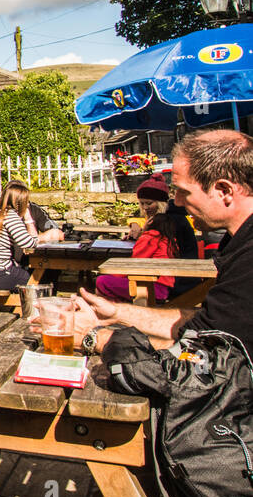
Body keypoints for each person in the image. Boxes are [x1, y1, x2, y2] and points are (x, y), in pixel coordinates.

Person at [71, 129, 253, 356]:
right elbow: (205, 325)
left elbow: (209, 356)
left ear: (224, 190)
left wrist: (95, 337)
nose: (175, 200)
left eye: (183, 191)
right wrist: (117, 313)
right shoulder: (237, 240)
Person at [94, 176, 198, 303]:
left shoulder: (169, 222)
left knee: (104, 282)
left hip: (178, 279)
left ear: (160, 203)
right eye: (142, 203)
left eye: (149, 203)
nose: (145, 208)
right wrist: (137, 227)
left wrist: (144, 234)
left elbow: (142, 255)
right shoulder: (164, 218)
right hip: (171, 277)